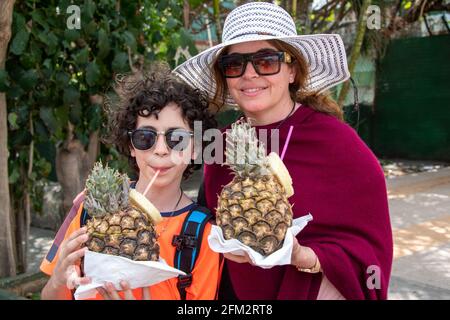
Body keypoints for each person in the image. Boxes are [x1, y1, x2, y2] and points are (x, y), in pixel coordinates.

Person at [174, 2, 393, 300]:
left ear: (292, 70)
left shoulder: (337, 142)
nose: (248, 74)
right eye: (235, 65)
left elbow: (370, 251)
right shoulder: (222, 145)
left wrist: (302, 256)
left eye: (266, 61)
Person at [40, 63, 221, 300]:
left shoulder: (205, 234)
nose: (160, 150)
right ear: (131, 146)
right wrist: (57, 281)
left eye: (176, 138)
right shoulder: (89, 208)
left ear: (195, 148)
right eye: (145, 137)